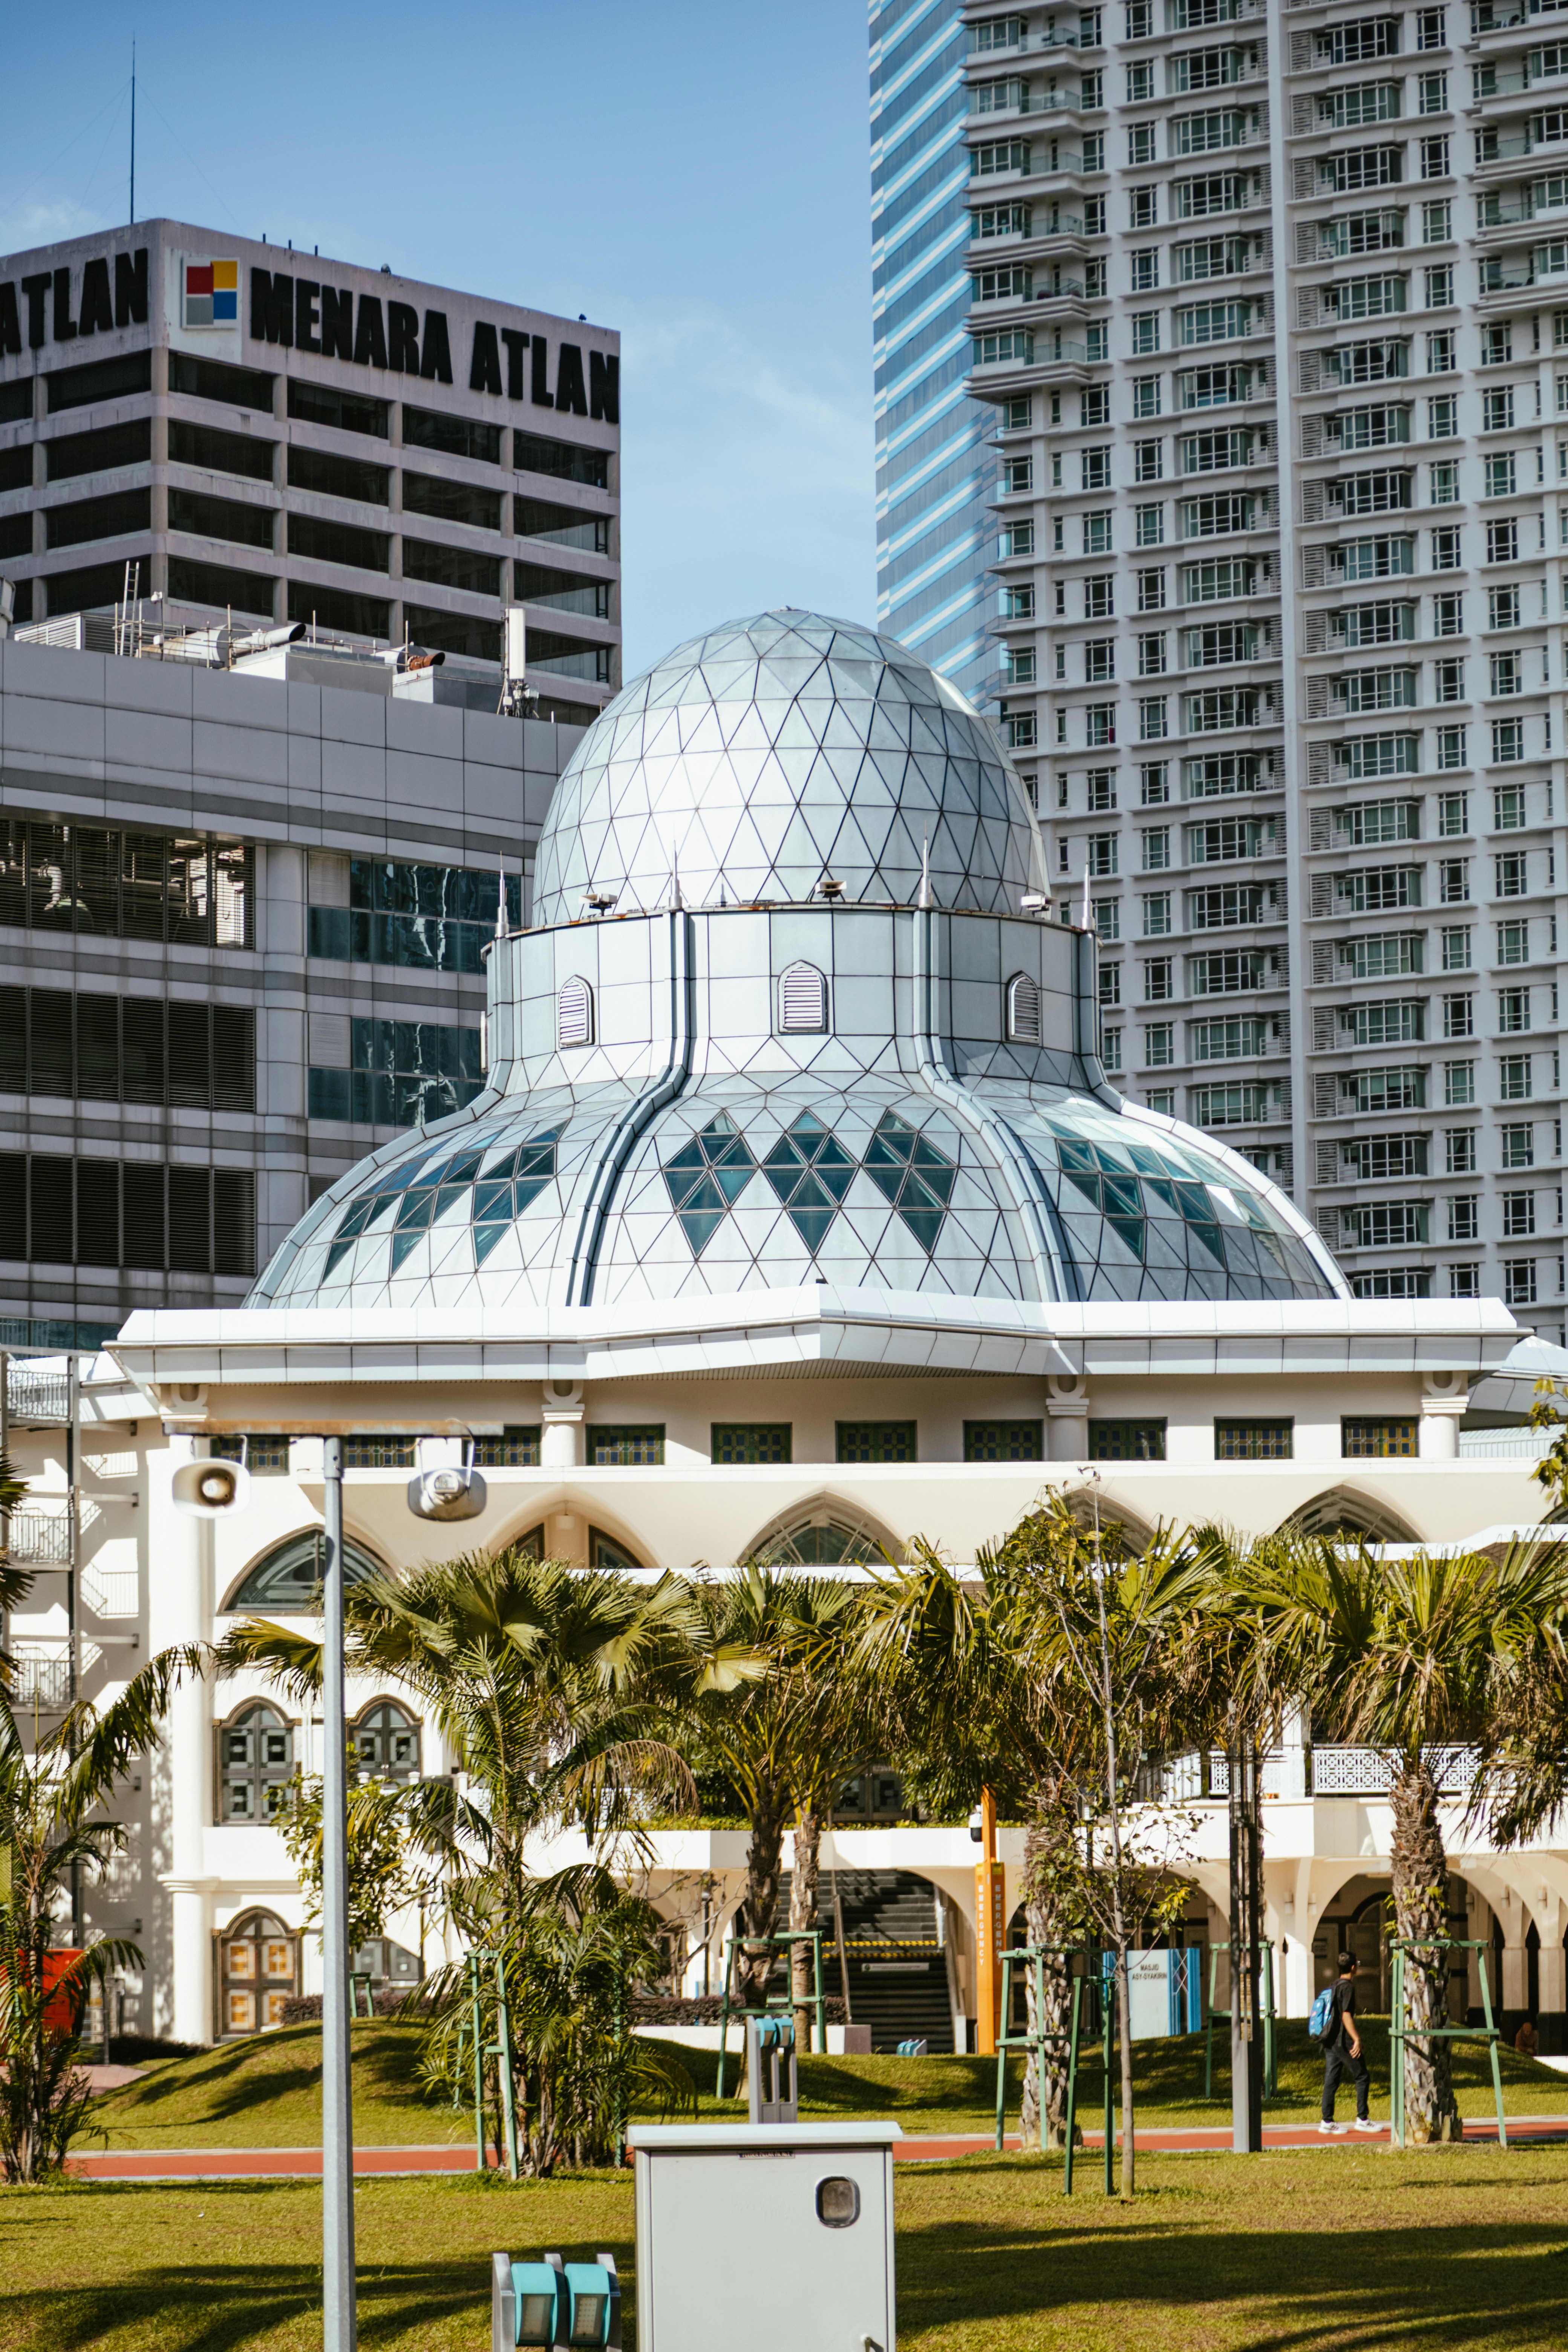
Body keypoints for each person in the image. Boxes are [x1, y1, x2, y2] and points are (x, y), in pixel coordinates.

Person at [1319, 1951, 1380, 2136]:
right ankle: (1363, 2119)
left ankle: (1327, 2121)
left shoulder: (1334, 1985)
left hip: (1329, 2039)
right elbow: (1346, 2015)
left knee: (1331, 2079)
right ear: (1354, 1967)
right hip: (1342, 2040)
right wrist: (1356, 2039)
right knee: (1362, 2076)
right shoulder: (1348, 1987)